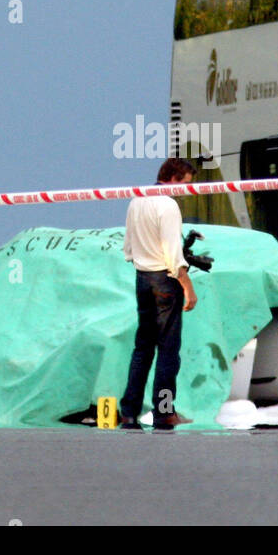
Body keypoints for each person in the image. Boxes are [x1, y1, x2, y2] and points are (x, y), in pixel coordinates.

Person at [118, 158, 199, 430]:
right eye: (185, 184)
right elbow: (172, 254)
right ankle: (164, 412)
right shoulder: (168, 205)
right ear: (175, 179)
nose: (185, 191)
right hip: (164, 280)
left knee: (142, 348)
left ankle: (129, 411)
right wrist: (188, 286)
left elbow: (128, 247)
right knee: (168, 351)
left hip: (142, 278)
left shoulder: (136, 200)